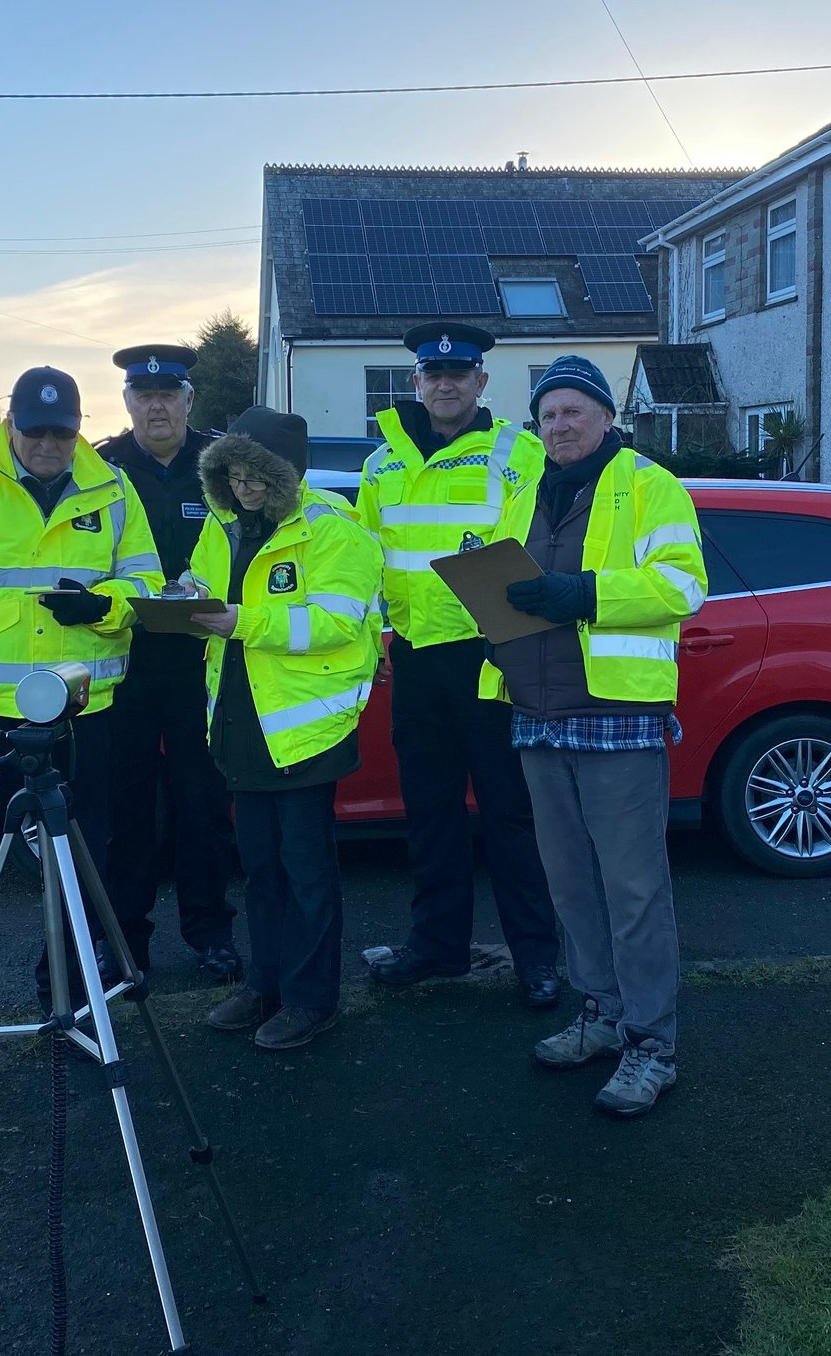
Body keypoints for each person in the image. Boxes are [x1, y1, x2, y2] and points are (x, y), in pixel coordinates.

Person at [0, 365, 164, 1086]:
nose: (48, 444)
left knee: (82, 871)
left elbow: (146, 584)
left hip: (83, 718)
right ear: (11, 423)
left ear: (78, 427)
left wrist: (103, 607)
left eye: (61, 431)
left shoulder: (113, 486)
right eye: (36, 430)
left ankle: (68, 1004)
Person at [483, 355, 705, 1118]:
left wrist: (581, 593)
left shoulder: (650, 485)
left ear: (607, 417)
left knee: (634, 890)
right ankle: (601, 1013)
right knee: (571, 884)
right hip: (538, 713)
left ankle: (652, 1043)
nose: (559, 425)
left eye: (574, 410)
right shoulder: (523, 493)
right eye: (547, 415)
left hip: (615, 716)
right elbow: (506, 586)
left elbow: (683, 585)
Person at [358, 321, 561, 1010]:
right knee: (430, 812)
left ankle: (536, 956)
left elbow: (540, 546)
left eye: (460, 373)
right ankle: (437, 946)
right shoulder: (380, 461)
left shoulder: (518, 452)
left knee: (512, 814)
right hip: (414, 661)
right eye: (432, 374)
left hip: (491, 658)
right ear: (416, 382)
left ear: (481, 382)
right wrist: (372, 646)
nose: (445, 383)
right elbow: (362, 565)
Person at [182, 407, 382, 1051]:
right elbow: (207, 591)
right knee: (261, 870)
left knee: (307, 873)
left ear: (288, 473)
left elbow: (335, 621)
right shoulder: (222, 526)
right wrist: (186, 596)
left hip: (306, 732)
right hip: (241, 721)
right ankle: (265, 985)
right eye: (234, 477)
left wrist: (240, 619)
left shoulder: (337, 532)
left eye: (258, 478)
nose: (245, 490)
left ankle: (311, 999)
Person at [93, 343, 242, 983]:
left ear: (188, 399)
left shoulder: (223, 463)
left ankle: (210, 933)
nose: (157, 405)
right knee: (124, 810)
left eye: (169, 394)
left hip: (202, 659)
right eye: (143, 395)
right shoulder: (101, 467)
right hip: (122, 661)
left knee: (202, 804)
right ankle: (125, 944)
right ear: (128, 402)